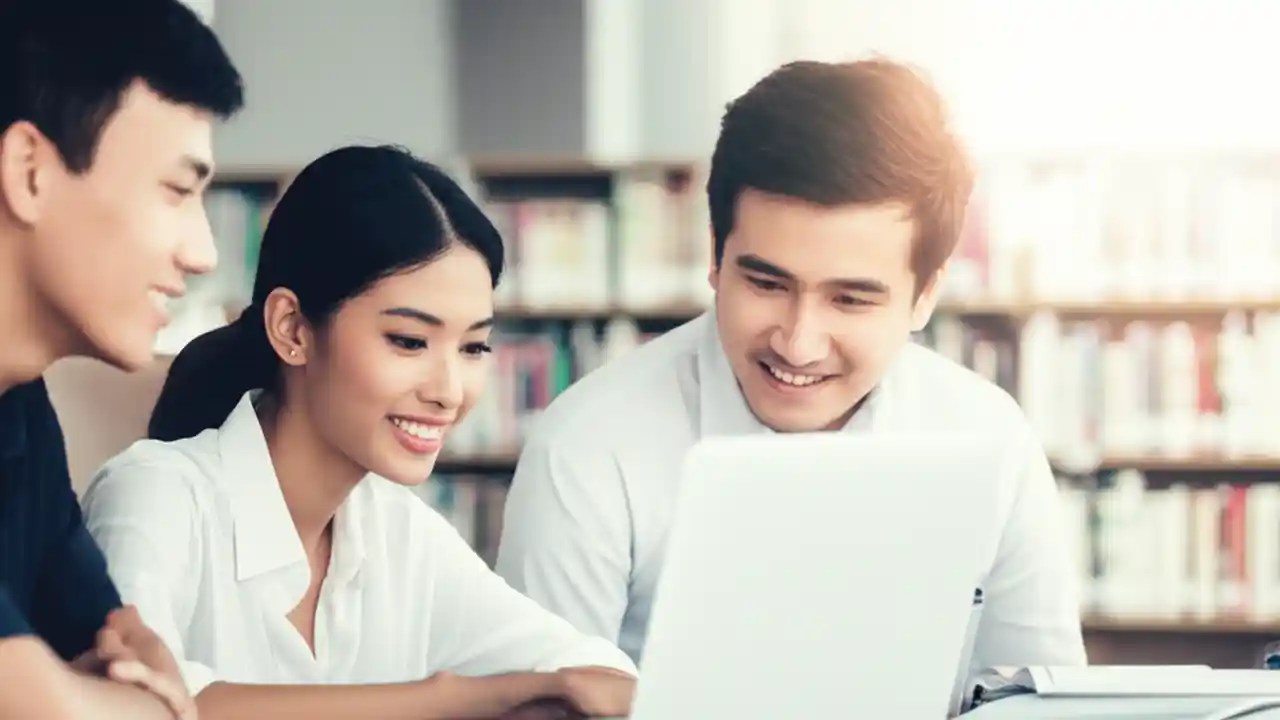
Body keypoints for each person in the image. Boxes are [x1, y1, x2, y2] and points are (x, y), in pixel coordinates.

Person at [495, 59, 1089, 678]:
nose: (799, 344)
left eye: (850, 299)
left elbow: (1042, 694)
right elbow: (543, 704)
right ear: (715, 257)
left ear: (925, 296)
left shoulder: (990, 438)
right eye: (765, 282)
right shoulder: (588, 447)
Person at [81, 145, 637, 720]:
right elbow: (138, 703)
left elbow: (597, 675)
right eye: (409, 341)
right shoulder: (157, 493)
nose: (449, 390)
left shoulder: (400, 531)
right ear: (292, 328)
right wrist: (453, 698)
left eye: (473, 347)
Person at [0, 0, 244, 717]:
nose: (202, 253)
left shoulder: (21, 411)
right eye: (176, 190)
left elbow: (128, 657)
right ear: (30, 171)